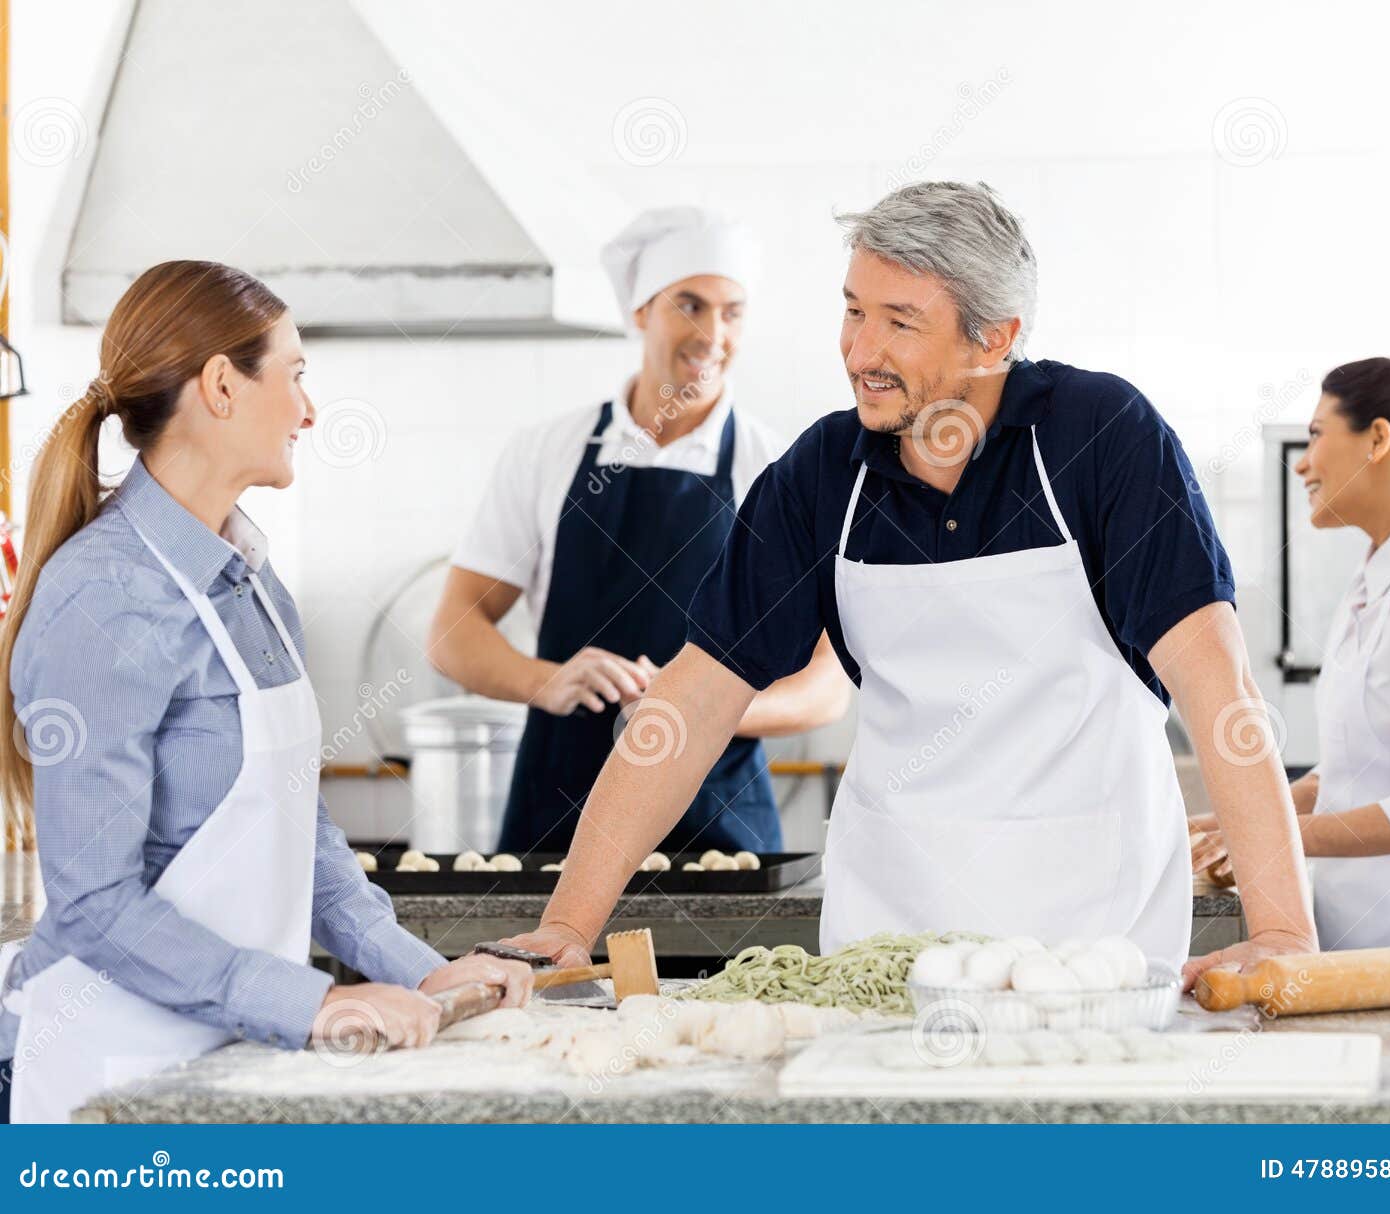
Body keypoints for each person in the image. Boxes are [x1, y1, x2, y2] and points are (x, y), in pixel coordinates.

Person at [502, 182, 1317, 986]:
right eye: (855, 311)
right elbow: (693, 700)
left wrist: (1281, 927)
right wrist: (568, 925)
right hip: (886, 948)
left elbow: (1218, 686)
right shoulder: (822, 475)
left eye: (900, 323)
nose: (861, 353)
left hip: (1090, 947)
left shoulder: (1101, 439)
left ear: (993, 340)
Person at [0, 262, 534, 1124]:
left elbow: (298, 824)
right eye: (295, 376)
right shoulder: (101, 599)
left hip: (226, 1056)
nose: (310, 411)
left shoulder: (248, 577)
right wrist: (312, 1003)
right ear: (220, 385)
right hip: (96, 1068)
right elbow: (95, 903)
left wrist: (413, 968)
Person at [429, 207, 850, 856]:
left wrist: (694, 709)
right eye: (689, 304)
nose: (713, 334)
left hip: (718, 833)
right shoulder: (547, 451)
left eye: (732, 311)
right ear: (640, 312)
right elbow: (453, 633)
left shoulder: (775, 467)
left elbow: (826, 686)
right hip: (558, 820)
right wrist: (545, 680)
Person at [1191, 358, 1390, 955]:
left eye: (1316, 434)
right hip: (1355, 941)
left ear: (1378, 438)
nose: (1302, 462)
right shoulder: (1374, 582)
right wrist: (1237, 820)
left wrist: (1273, 839)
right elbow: (1351, 775)